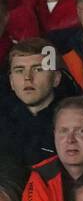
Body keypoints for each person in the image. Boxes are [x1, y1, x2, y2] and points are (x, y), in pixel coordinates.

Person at [1, 37, 78, 182]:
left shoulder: (76, 119)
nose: (28, 78)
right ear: (11, 82)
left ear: (56, 78)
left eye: (38, 69)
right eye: (19, 70)